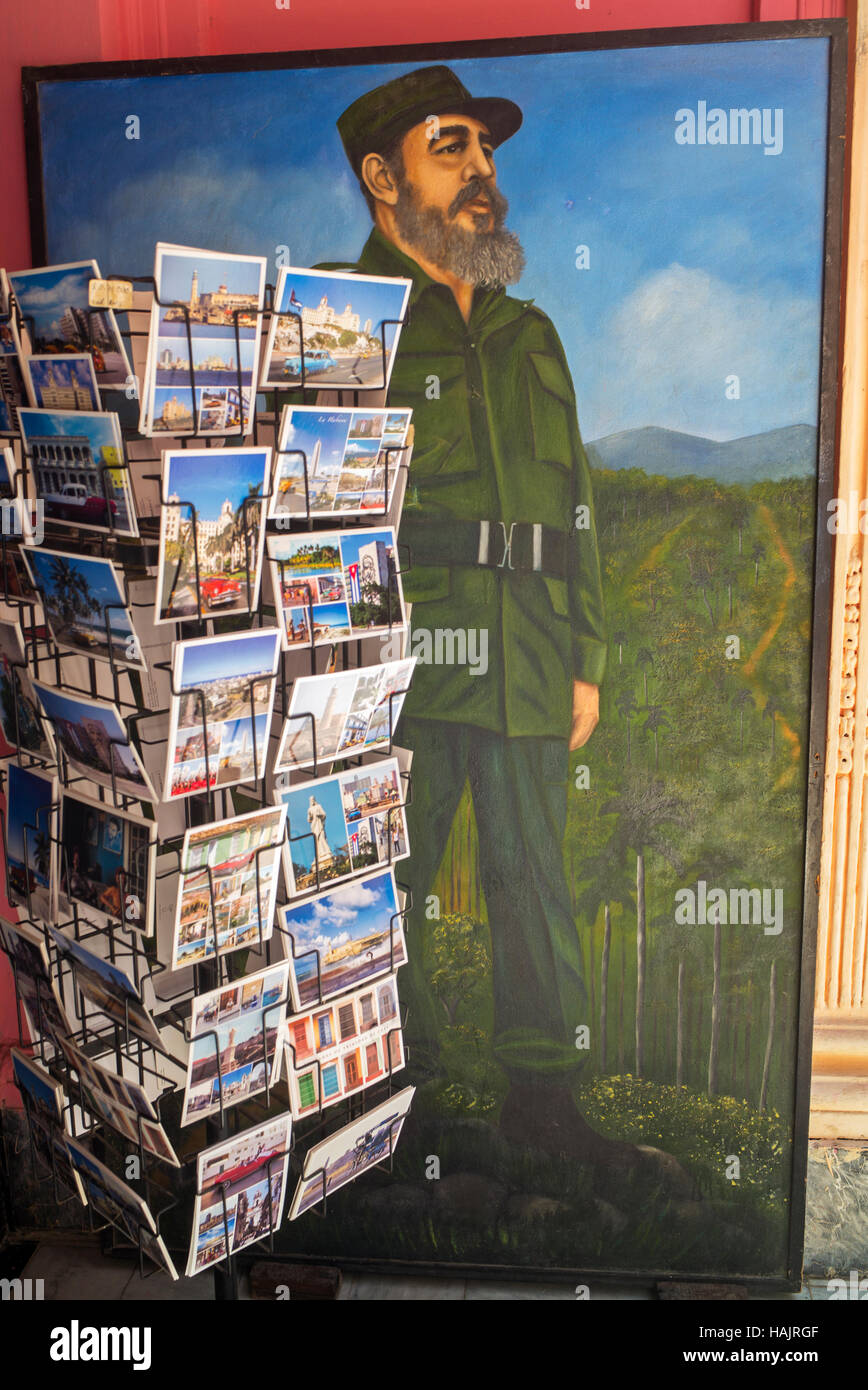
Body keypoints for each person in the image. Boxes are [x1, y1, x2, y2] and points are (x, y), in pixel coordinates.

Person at [328, 66, 647, 1171]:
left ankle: (544, 1113)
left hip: (528, 657)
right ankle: (392, 1112)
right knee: (384, 890)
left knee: (533, 884)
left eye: (486, 151)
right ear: (381, 177)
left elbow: (576, 508)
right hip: (395, 666)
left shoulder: (530, 335)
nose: (482, 174)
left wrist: (586, 657)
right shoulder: (333, 321)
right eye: (451, 147)